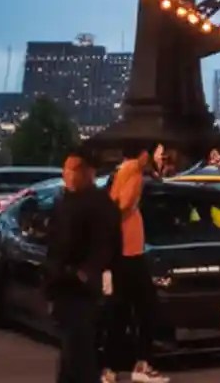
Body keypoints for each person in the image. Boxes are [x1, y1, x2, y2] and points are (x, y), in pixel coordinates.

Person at [45, 147, 115, 383]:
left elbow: (106, 243)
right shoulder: (64, 202)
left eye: (73, 169)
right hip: (63, 285)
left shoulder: (98, 204)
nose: (67, 174)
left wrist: (86, 272)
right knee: (71, 353)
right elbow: (54, 244)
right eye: (65, 169)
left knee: (79, 353)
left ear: (87, 172)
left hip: (80, 288)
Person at [105, 143, 169, 383]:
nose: (162, 156)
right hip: (129, 254)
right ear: (145, 154)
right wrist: (130, 209)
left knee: (122, 311)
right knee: (145, 308)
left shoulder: (123, 171)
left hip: (125, 253)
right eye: (159, 152)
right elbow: (122, 205)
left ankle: (113, 368)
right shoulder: (134, 172)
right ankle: (139, 363)